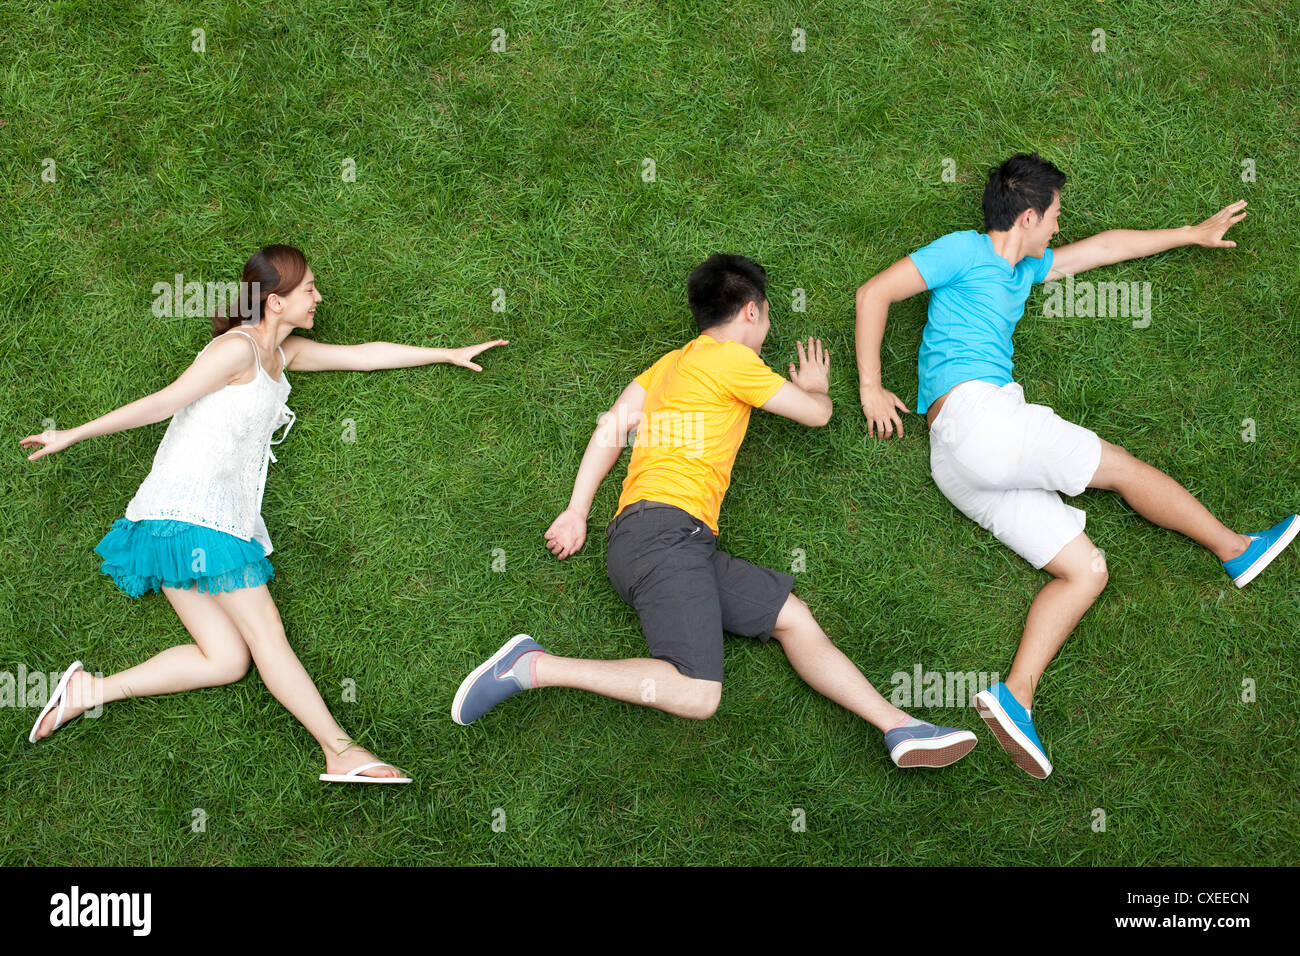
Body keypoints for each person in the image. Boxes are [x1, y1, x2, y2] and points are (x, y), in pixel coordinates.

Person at [853, 152, 1296, 778]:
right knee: (1122, 469)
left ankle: (1015, 697)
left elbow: (1104, 249)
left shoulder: (1024, 270)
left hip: (955, 464)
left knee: (1085, 570)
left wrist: (1190, 233)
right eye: (1055, 215)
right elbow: (875, 292)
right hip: (982, 419)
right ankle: (1235, 548)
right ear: (1028, 215)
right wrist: (871, 386)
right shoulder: (964, 251)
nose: (1060, 227)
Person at [452, 253, 978, 769]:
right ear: (751, 312)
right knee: (699, 693)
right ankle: (535, 667)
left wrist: (577, 511)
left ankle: (898, 726)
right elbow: (815, 416)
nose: (767, 327)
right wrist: (815, 390)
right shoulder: (734, 361)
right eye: (768, 314)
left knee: (791, 618)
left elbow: (612, 426)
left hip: (669, 540)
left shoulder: (669, 364)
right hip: (665, 536)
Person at [21, 244, 508, 784]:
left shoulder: (284, 354)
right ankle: (339, 750)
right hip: (190, 515)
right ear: (274, 301)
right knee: (267, 631)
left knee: (226, 660)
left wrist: (445, 353)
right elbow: (163, 402)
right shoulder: (237, 350)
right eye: (308, 290)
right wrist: (71, 434)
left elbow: (363, 354)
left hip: (189, 519)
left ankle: (89, 691)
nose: (318, 298)